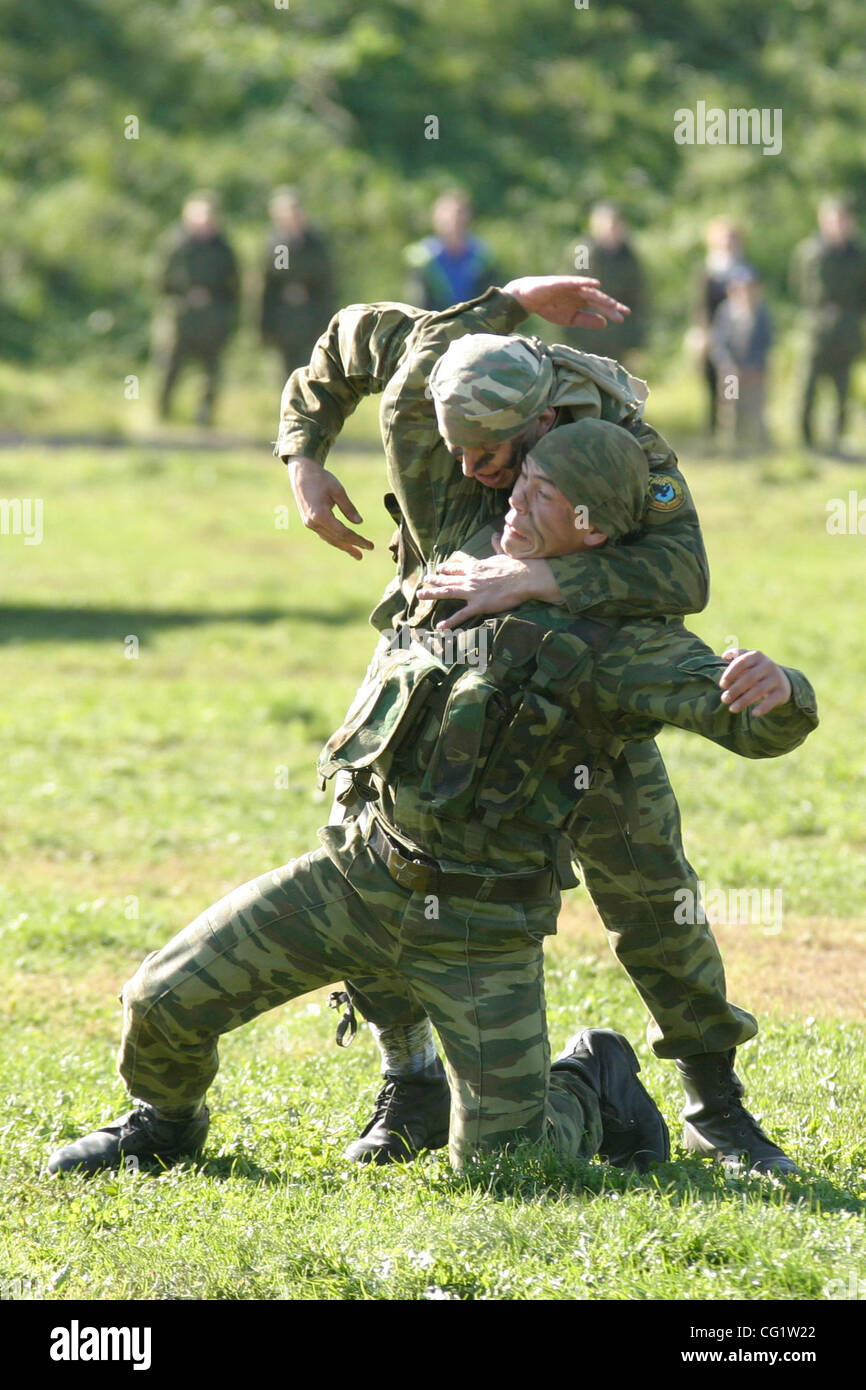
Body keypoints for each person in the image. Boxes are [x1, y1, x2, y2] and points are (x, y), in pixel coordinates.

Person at [47, 420, 816, 1179]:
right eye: (526, 478)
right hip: (358, 878)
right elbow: (405, 369)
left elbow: (749, 721)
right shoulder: (466, 547)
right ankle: (168, 1126)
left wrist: (779, 692)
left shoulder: (628, 643)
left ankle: (593, 1081)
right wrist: (307, 449)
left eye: (545, 494)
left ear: (593, 531)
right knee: (159, 1001)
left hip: (481, 928)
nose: (517, 499)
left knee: (505, 1166)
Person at [280, 278, 801, 1175]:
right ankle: (409, 1083)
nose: (478, 474)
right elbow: (351, 337)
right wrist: (304, 454)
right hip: (439, 664)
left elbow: (683, 573)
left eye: (498, 458)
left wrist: (539, 582)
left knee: (650, 890)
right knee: (369, 858)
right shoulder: (436, 372)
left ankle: (717, 1109)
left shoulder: (616, 442)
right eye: (458, 454)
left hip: (588, 683)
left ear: (547, 426)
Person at [790, 197, 866, 453]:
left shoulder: (858, 255)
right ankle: (806, 440)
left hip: (847, 328)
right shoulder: (810, 252)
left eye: (843, 221)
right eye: (833, 220)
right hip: (816, 328)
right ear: (823, 222)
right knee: (807, 385)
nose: (839, 226)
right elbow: (799, 287)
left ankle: (837, 438)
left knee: (843, 389)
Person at [157, 192, 240, 427]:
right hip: (181, 319)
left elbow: (234, 286)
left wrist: (219, 308)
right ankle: (163, 412)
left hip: (213, 320)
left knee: (211, 373)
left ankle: (205, 416)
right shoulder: (175, 245)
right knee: (170, 367)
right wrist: (183, 299)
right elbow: (162, 281)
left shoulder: (223, 249)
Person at [259, 187, 335, 379]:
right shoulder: (280, 245)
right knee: (288, 372)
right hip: (285, 320)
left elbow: (325, 279)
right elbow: (276, 276)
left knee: (315, 368)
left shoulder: (315, 243)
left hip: (313, 316)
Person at [563, 202, 648, 365]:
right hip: (587, 330)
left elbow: (637, 297)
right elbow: (574, 287)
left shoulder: (628, 255)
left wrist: (636, 339)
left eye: (616, 226)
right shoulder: (584, 251)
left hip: (618, 334)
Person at [691, 218, 750, 437]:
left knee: (733, 381)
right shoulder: (707, 270)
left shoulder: (744, 270)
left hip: (737, 335)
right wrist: (702, 333)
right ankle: (713, 429)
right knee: (711, 381)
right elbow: (700, 305)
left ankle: (734, 428)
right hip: (712, 334)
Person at [710, 266, 773, 452]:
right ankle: (732, 447)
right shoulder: (726, 312)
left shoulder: (761, 312)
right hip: (730, 373)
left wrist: (756, 365)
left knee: (755, 407)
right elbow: (719, 343)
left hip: (755, 372)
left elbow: (766, 342)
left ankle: (758, 445)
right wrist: (728, 365)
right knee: (730, 409)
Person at [404, 191, 500, 311]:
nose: (454, 220)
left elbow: (491, 300)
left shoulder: (482, 256)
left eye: (459, 213)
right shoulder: (423, 257)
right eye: (447, 214)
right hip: (434, 323)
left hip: (475, 323)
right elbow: (418, 302)